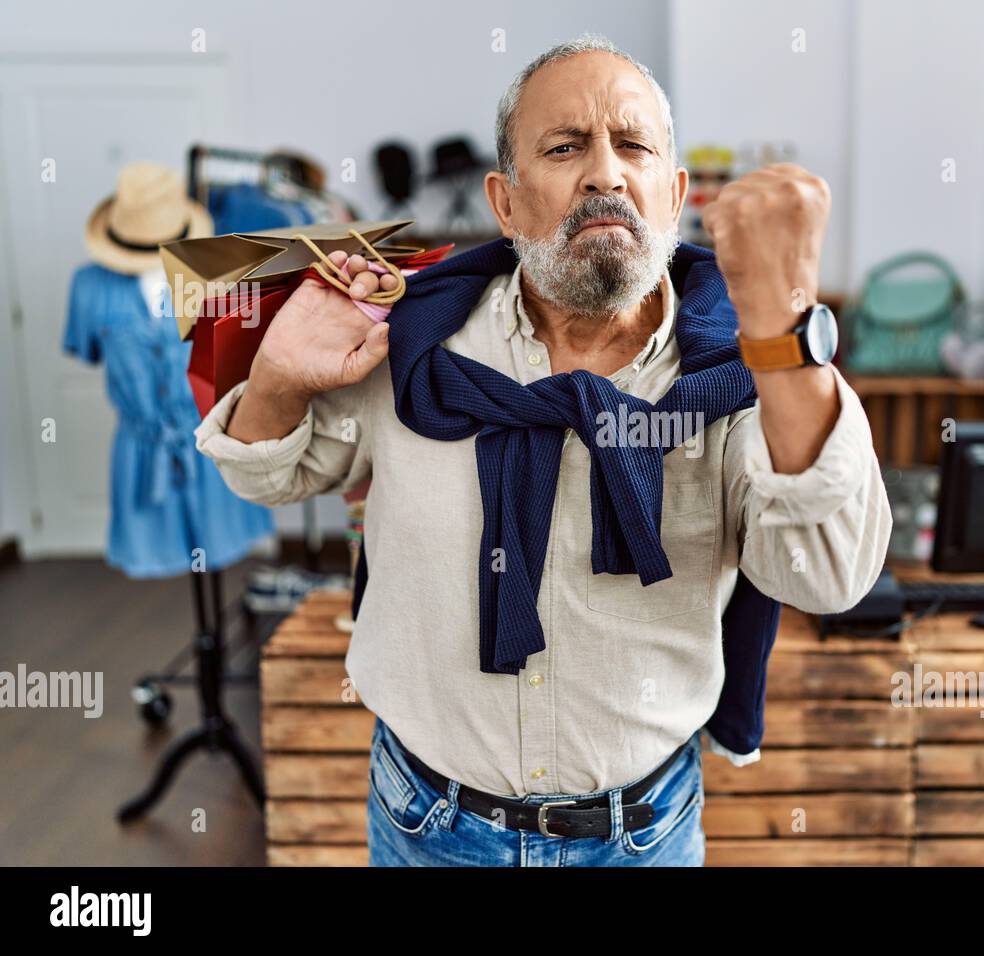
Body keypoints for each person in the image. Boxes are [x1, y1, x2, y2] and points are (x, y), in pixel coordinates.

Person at [195, 33, 892, 867]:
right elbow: (267, 475)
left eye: (633, 145)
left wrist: (785, 335)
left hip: (644, 835)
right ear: (507, 202)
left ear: (673, 197)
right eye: (564, 147)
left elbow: (825, 577)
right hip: (425, 823)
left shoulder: (741, 373)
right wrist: (275, 376)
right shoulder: (412, 337)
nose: (605, 172)